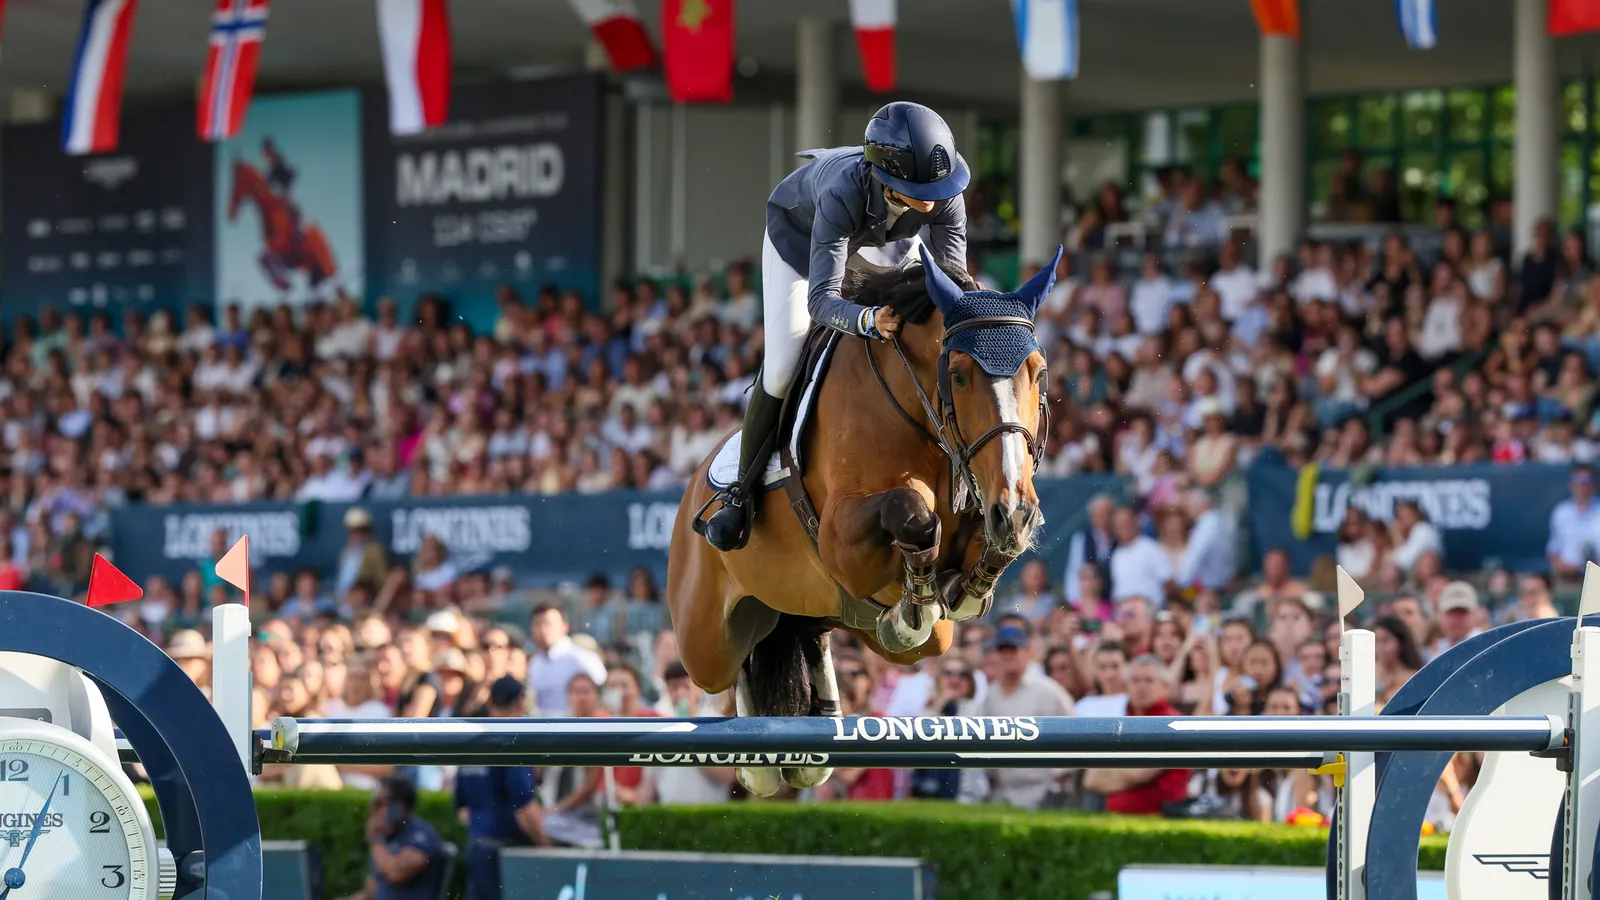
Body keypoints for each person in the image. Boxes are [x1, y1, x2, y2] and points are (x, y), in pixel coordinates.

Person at [700, 101, 971, 551]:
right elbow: (822, 300)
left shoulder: (943, 192)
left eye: (938, 188)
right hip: (800, 240)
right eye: (920, 188)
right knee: (783, 366)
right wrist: (867, 319)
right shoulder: (844, 192)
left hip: (881, 241)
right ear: (888, 177)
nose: (933, 198)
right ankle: (740, 494)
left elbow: (951, 287)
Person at [455, 678, 544, 900]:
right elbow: (524, 808)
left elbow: (462, 808)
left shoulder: (473, 742)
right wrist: (547, 846)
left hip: (477, 845)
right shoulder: (511, 742)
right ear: (521, 703)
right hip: (507, 850)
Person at [977, 622, 1076, 810]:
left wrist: (1059, 778)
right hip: (1003, 793)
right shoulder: (991, 695)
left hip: (1043, 792)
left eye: (1013, 649)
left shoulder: (1048, 690)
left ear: (1026, 651)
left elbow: (1076, 733)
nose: (1008, 655)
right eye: (1003, 650)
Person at [1081, 655, 1191, 814]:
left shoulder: (1172, 723)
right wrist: (1124, 775)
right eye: (1135, 680)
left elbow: (1138, 773)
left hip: (1160, 817)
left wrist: (1112, 773)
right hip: (1117, 816)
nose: (1141, 686)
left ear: (1164, 686)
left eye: (1148, 680)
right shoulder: (1122, 719)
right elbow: (1091, 779)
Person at [343, 777, 448, 900]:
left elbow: (396, 873)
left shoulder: (421, 834)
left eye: (379, 803)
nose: (373, 809)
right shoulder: (388, 837)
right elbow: (371, 891)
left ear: (400, 806)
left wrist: (376, 837)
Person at [525, 604, 607, 715]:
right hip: (542, 724)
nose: (543, 629)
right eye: (538, 624)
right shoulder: (535, 663)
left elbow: (603, 695)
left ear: (565, 626)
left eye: (548, 624)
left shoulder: (584, 658)